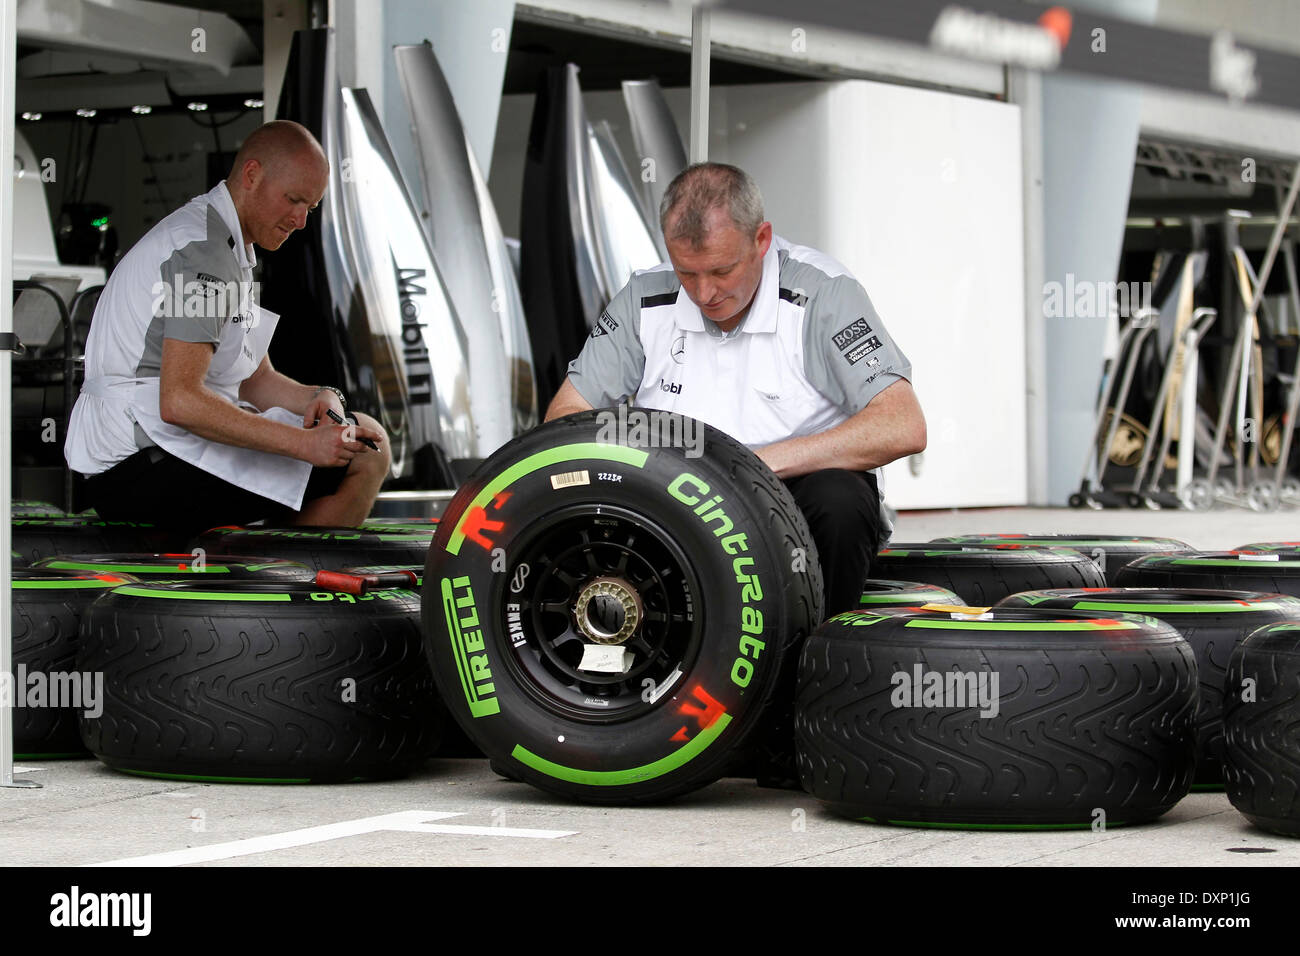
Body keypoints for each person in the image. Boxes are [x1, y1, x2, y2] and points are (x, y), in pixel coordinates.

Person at [545, 162, 926, 616]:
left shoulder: (824, 295)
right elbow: (564, 418)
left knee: (839, 500)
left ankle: (819, 659)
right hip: (673, 491)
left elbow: (902, 425)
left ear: (761, 240)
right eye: (687, 272)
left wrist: (755, 466)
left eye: (721, 271)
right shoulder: (644, 298)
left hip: (790, 497)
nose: (704, 293)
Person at [65, 120, 388, 536]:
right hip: (132, 465)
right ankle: (287, 586)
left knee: (359, 436)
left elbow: (254, 379)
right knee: (363, 456)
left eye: (310, 207)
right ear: (252, 175)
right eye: (293, 200)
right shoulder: (204, 253)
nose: (300, 220)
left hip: (151, 448)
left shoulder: (228, 243)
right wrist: (304, 444)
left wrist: (322, 397)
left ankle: (253, 558)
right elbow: (179, 402)